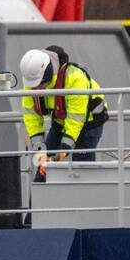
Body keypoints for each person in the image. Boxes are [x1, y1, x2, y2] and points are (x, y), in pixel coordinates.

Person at [19, 46, 109, 179]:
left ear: (48, 73)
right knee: (43, 171)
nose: (36, 88)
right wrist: (39, 149)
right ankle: (41, 198)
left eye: (40, 84)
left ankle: (82, 197)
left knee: (81, 170)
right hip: (61, 121)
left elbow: (76, 119)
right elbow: (31, 117)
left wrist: (63, 150)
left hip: (89, 123)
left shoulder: (74, 78)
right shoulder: (33, 81)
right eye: (34, 85)